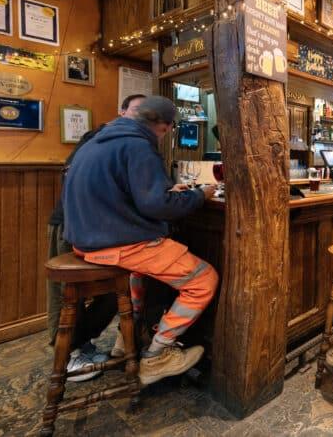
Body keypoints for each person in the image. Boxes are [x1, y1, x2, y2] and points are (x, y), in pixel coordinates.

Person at [63, 96, 219, 386]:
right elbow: (158, 206)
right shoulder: (139, 145)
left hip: (84, 241)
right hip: (116, 243)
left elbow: (123, 193)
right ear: (164, 127)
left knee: (141, 275)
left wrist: (168, 191)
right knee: (203, 279)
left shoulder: (98, 140)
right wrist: (200, 195)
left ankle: (129, 338)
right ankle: (157, 355)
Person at [46, 93, 146, 382]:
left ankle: (82, 344)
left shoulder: (130, 143)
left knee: (115, 289)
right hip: (72, 222)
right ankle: (66, 357)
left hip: (100, 228)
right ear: (121, 112)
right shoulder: (100, 136)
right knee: (67, 294)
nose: (143, 117)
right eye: (138, 110)